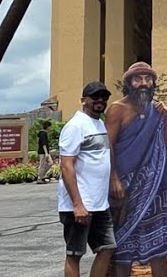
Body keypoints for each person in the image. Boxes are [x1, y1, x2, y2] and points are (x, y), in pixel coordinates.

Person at [105, 62, 167, 276]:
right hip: (126, 189)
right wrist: (114, 179)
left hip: (155, 188)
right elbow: (107, 146)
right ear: (129, 83)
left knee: (159, 248)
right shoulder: (117, 109)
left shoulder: (157, 110)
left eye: (148, 79)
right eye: (138, 79)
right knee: (123, 248)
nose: (144, 83)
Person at [58, 81, 116, 277]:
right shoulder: (75, 126)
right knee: (75, 254)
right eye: (95, 97)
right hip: (79, 206)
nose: (100, 101)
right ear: (83, 100)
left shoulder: (99, 123)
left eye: (104, 97)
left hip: (99, 204)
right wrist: (77, 204)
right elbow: (66, 165)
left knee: (107, 248)